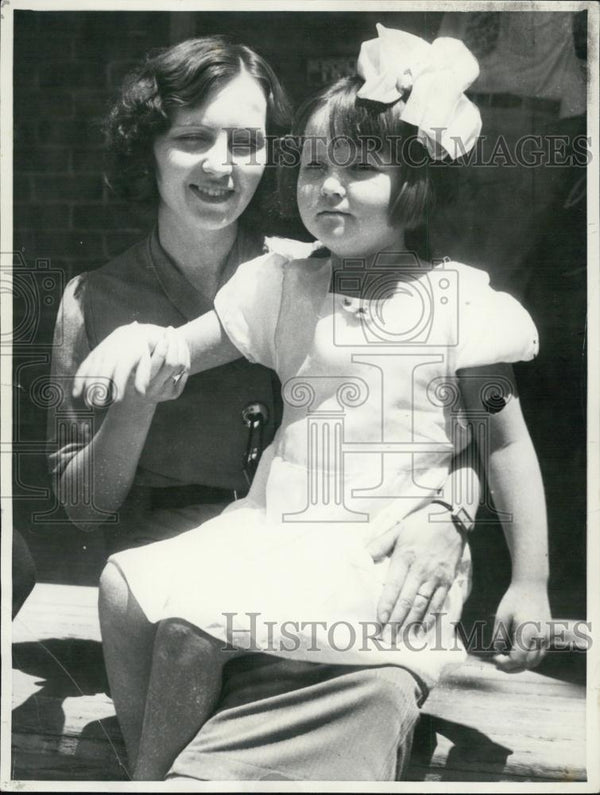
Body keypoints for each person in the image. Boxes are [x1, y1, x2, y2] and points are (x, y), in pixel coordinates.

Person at [76, 26, 552, 781]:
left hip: (378, 552)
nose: (329, 186)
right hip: (274, 527)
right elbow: (186, 344)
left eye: (361, 168)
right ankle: (156, 763)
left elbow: (505, 443)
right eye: (315, 166)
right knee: (124, 585)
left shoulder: (466, 309)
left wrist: (530, 581)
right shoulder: (284, 282)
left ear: (417, 184)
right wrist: (133, 341)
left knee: (193, 630)